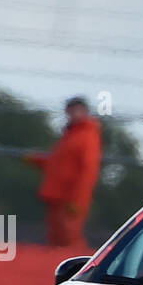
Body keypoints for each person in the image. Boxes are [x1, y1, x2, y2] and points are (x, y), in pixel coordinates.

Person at [25, 97, 102, 248]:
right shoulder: (70, 135)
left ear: (85, 112)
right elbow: (58, 164)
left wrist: (78, 200)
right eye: (70, 111)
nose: (73, 114)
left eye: (77, 111)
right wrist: (36, 160)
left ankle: (81, 270)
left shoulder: (87, 135)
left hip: (71, 198)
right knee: (56, 239)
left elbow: (88, 170)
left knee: (69, 238)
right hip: (57, 196)